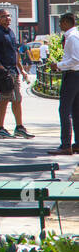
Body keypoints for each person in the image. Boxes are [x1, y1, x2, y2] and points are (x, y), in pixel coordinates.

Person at [0, 8, 33, 139]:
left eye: (8, 16)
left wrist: (21, 69)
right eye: (4, 16)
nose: (7, 18)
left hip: (13, 71)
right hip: (3, 72)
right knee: (5, 98)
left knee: (17, 99)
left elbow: (15, 52)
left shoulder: (10, 32)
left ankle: (19, 127)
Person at [51, 13, 79, 157]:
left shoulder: (72, 37)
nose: (60, 25)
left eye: (61, 22)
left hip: (72, 75)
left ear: (67, 22)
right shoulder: (74, 35)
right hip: (75, 74)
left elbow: (75, 59)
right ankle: (77, 143)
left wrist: (58, 65)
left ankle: (66, 145)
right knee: (75, 110)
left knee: (65, 110)